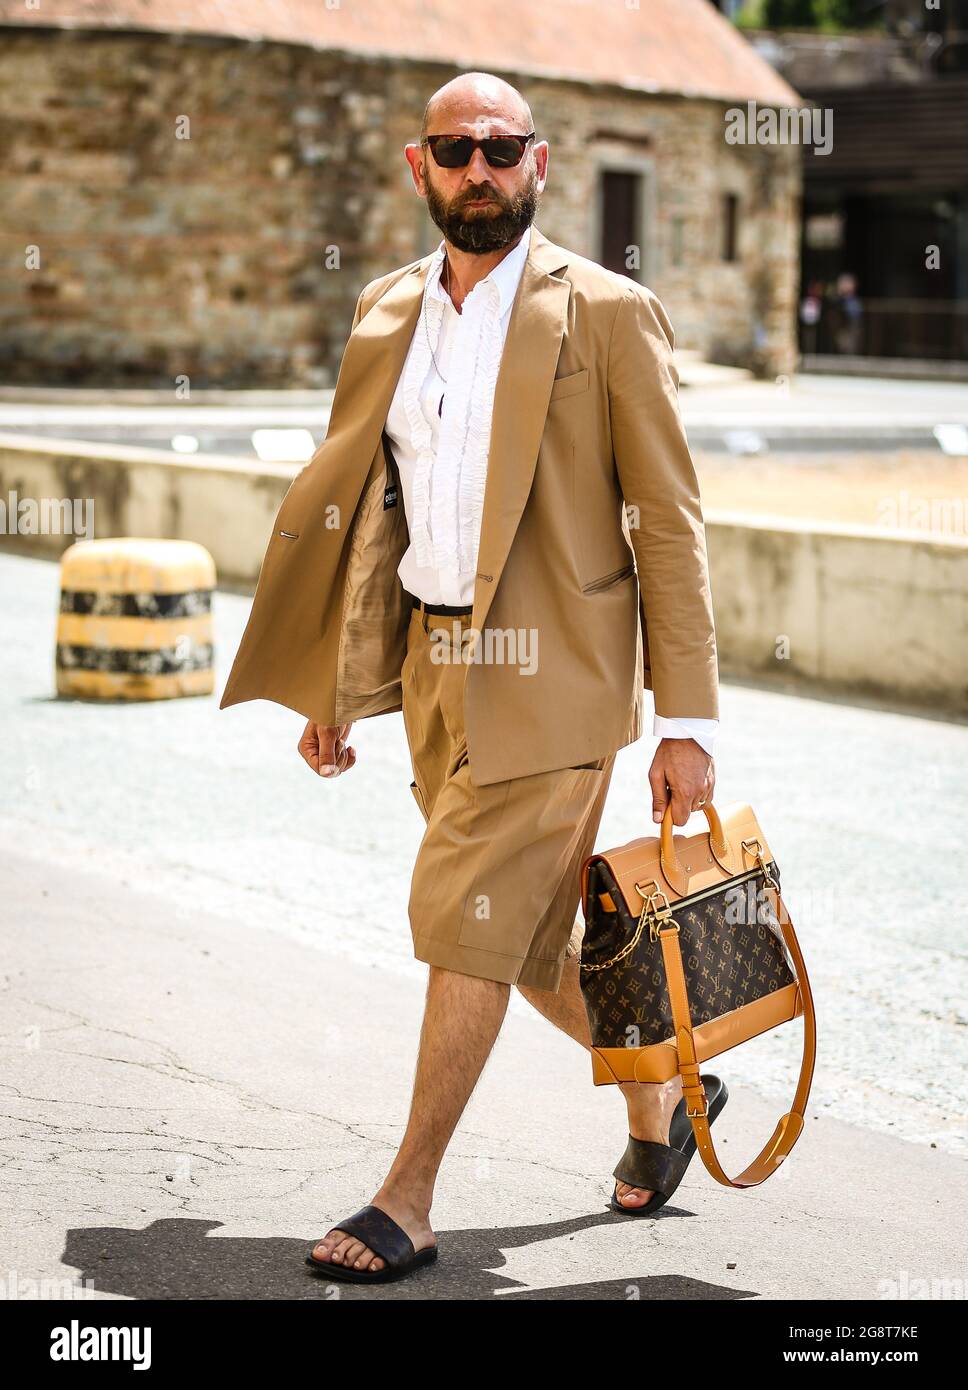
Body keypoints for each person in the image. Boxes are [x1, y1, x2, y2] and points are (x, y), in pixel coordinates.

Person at [220, 71, 721, 1283]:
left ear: (539, 165)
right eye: (456, 151)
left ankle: (407, 1196)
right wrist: (341, 684)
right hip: (438, 669)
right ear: (419, 168)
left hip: (560, 673)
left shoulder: (603, 311)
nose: (479, 171)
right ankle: (667, 1087)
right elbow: (367, 517)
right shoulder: (386, 310)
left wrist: (686, 718)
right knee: (530, 945)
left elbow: (667, 516)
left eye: (503, 149)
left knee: (460, 917)